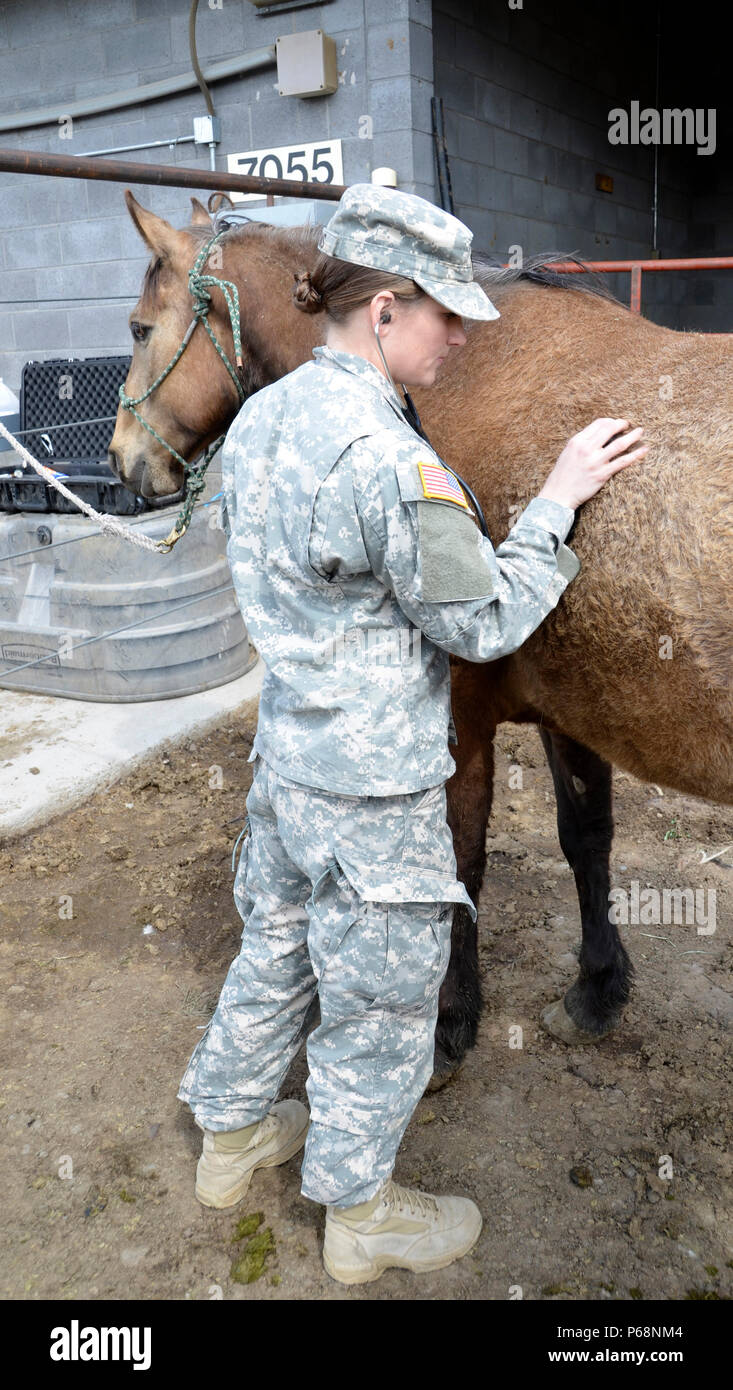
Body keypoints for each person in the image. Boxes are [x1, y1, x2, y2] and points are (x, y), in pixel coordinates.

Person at [177, 183, 648, 1286]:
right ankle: (360, 1211)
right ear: (383, 310)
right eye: (443, 315)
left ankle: (230, 1137)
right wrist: (558, 500)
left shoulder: (265, 419)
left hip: (287, 759)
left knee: (276, 952)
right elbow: (481, 616)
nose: (459, 338)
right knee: (382, 1001)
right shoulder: (396, 463)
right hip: (375, 787)